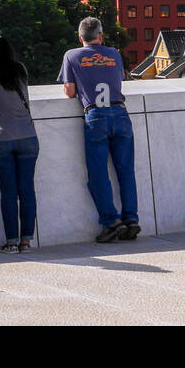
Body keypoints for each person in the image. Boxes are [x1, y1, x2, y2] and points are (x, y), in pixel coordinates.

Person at [59, 17, 138, 243]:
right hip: (120, 113)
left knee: (98, 174)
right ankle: (131, 219)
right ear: (101, 36)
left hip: (96, 116)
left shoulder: (71, 56)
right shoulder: (113, 53)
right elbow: (119, 78)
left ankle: (110, 222)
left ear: (80, 37)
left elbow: (70, 92)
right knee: (126, 171)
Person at [0, 36, 39, 254]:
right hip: (27, 138)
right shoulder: (20, 70)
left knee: (8, 192)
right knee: (27, 189)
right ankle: (26, 242)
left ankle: (11, 242)